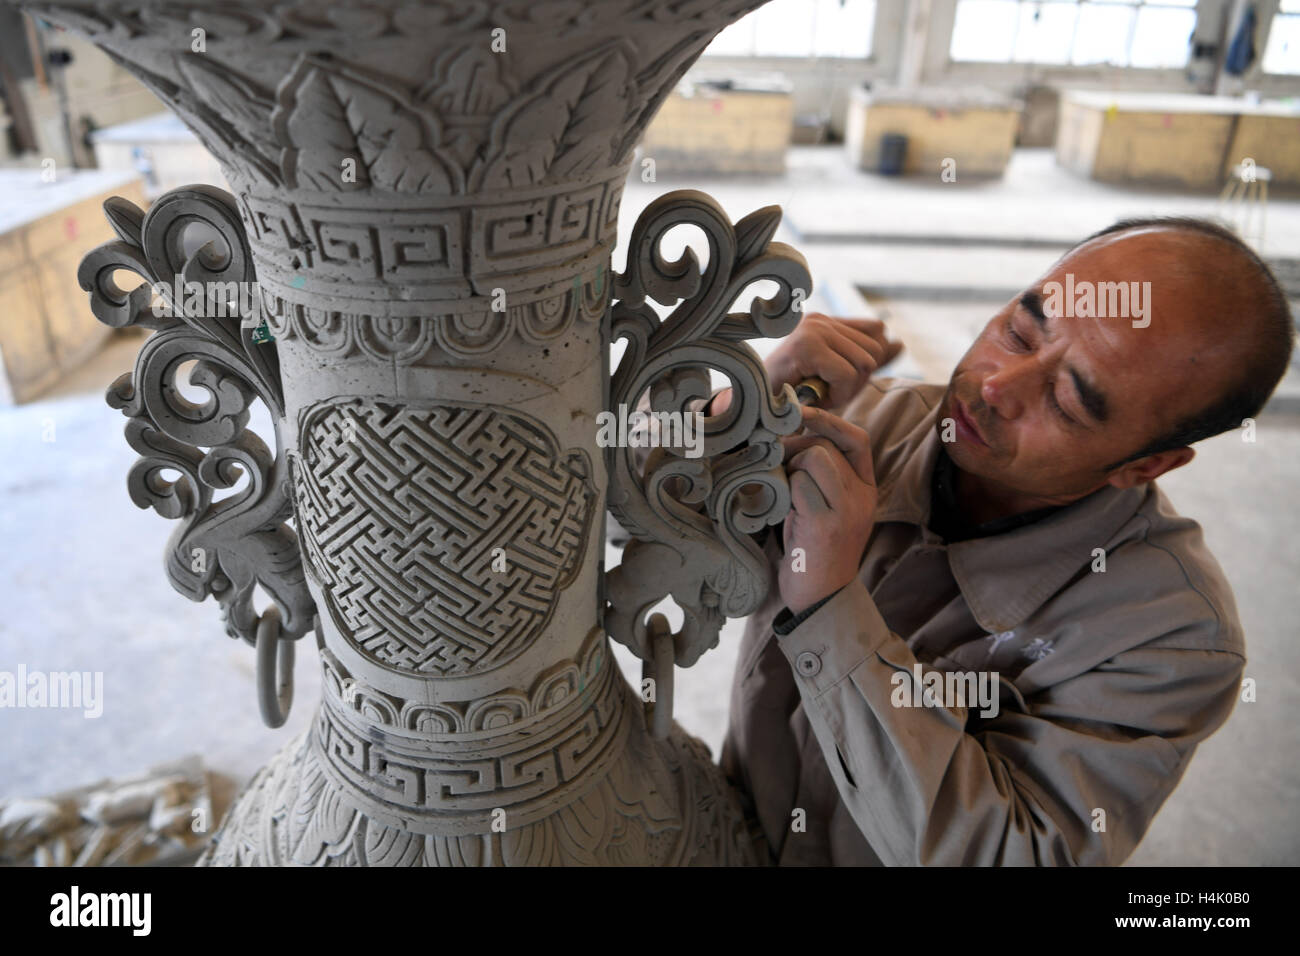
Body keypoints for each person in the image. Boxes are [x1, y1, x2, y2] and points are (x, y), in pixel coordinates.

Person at [708, 217, 1294, 865]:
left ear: (1145, 466)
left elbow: (1009, 853)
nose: (995, 386)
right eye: (1019, 331)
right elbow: (614, 540)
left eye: (1068, 402)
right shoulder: (863, 420)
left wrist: (828, 608)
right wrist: (732, 421)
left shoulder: (1169, 638)